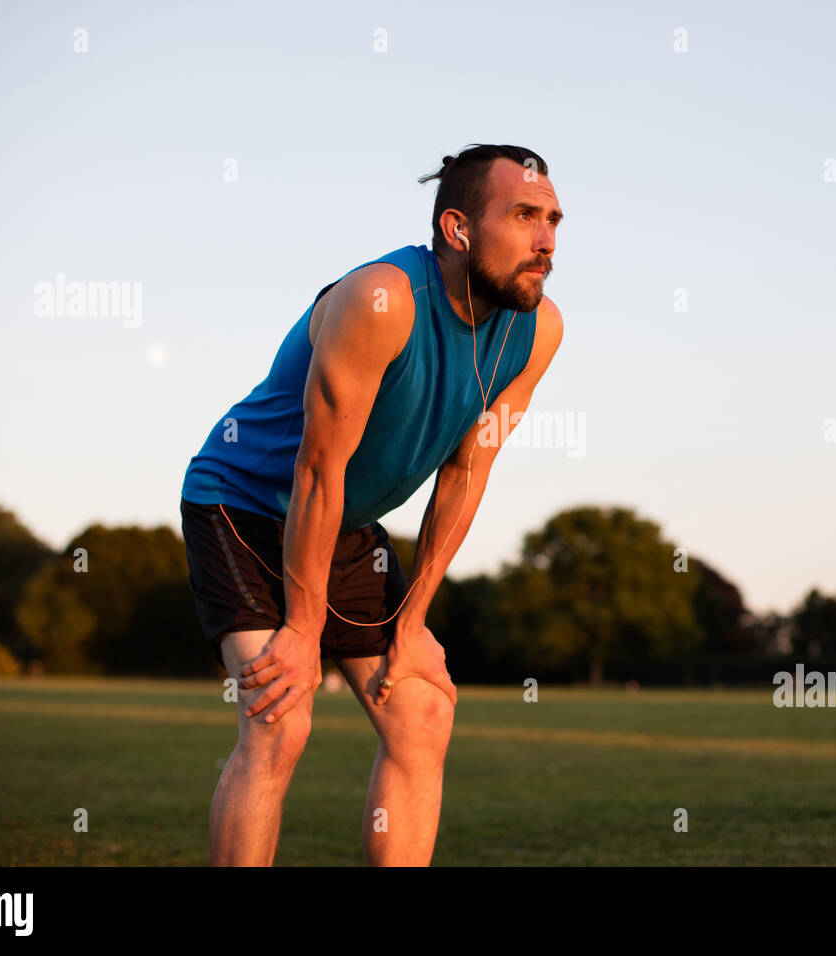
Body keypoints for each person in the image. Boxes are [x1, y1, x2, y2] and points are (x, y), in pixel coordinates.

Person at [178, 143, 565, 866]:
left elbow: (465, 473)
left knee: (420, 712)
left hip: (344, 522)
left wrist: (413, 621)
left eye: (552, 220)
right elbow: (317, 471)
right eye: (522, 215)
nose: (545, 240)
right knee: (280, 719)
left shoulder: (538, 330)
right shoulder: (379, 302)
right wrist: (302, 628)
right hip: (243, 503)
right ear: (457, 228)